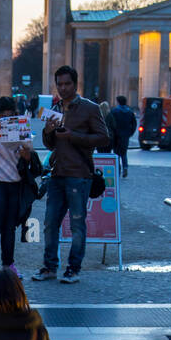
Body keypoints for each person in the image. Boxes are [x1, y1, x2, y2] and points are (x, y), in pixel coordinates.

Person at [32, 65, 110, 284]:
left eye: (67, 84)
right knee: (50, 222)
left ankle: (73, 268)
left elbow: (104, 138)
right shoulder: (55, 108)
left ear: (75, 84)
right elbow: (50, 144)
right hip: (57, 173)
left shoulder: (89, 108)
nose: (63, 88)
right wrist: (47, 132)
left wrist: (73, 136)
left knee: (77, 223)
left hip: (79, 173)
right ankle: (49, 267)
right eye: (59, 84)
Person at [0, 96, 36, 280]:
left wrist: (25, 149)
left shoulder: (20, 128)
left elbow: (28, 157)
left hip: (14, 184)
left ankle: (9, 264)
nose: (6, 118)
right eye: (3, 115)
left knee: (10, 228)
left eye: (10, 114)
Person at [110, 96, 136, 177]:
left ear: (118, 102)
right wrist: (130, 133)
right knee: (124, 153)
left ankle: (118, 169)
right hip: (125, 136)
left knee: (116, 153)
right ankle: (125, 167)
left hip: (116, 135)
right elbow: (134, 124)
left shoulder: (114, 111)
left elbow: (111, 124)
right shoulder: (130, 112)